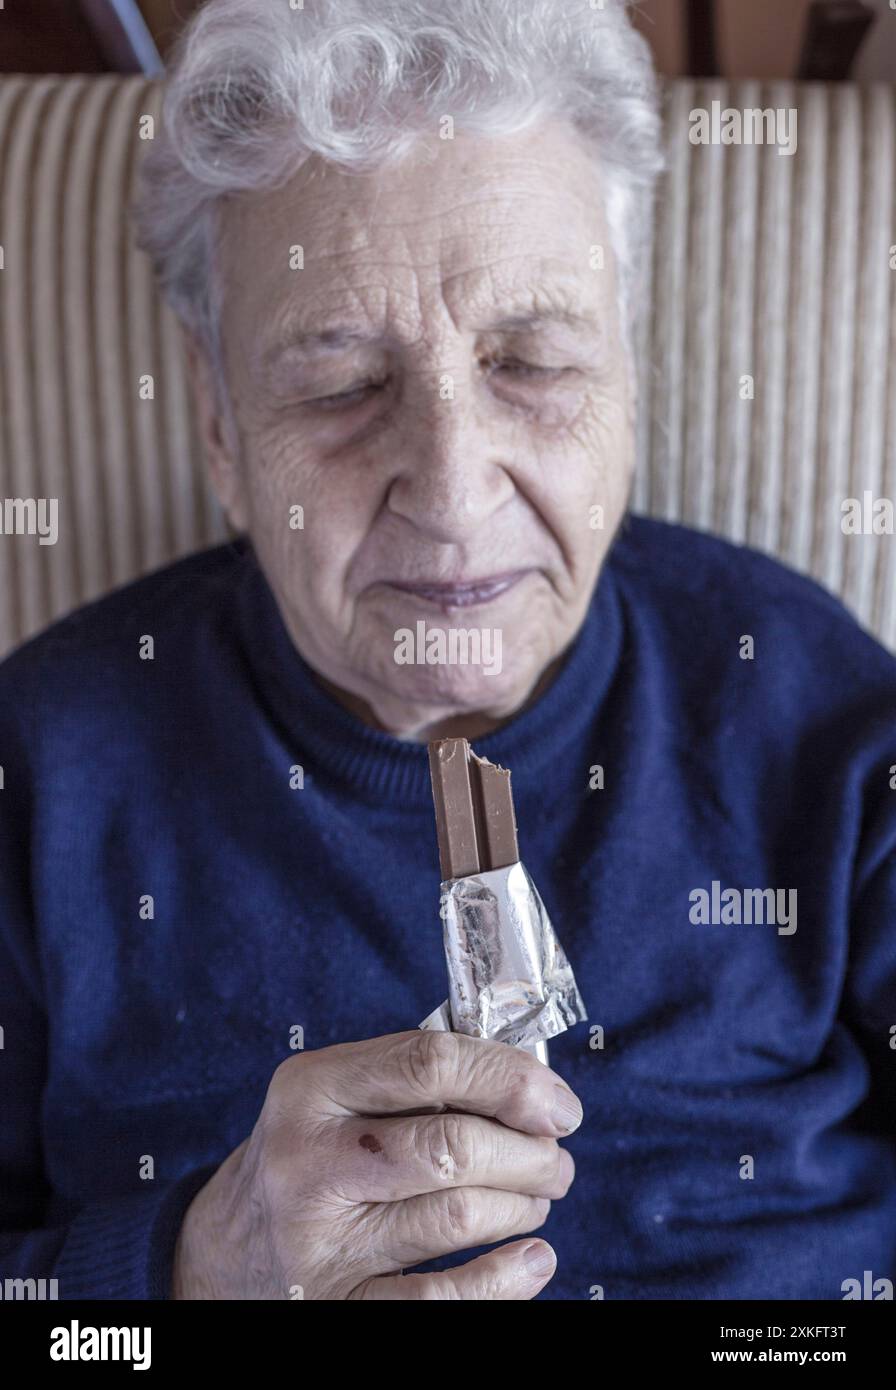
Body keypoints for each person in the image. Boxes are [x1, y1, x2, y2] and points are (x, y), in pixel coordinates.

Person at [0, 0, 893, 1301]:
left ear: (628, 363)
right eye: (342, 385)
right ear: (216, 417)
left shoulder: (815, 707)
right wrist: (185, 1275)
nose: (454, 489)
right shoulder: (41, 775)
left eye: (531, 361)